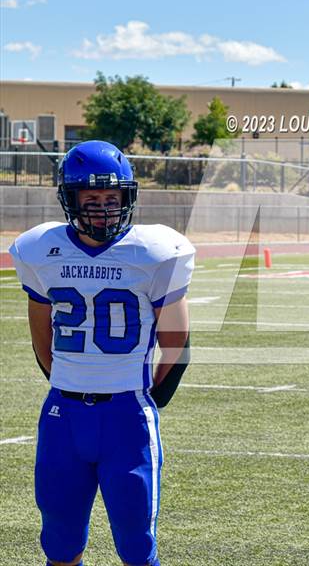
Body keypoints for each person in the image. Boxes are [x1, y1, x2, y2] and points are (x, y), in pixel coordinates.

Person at [9, 140, 195, 566]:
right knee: (59, 537)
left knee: (135, 541)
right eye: (90, 198)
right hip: (63, 415)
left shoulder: (156, 252)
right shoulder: (41, 249)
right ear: (69, 199)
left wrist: (139, 396)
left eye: (112, 198)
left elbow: (178, 344)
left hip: (126, 416)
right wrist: (72, 383)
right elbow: (42, 339)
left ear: (128, 198)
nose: (102, 208)